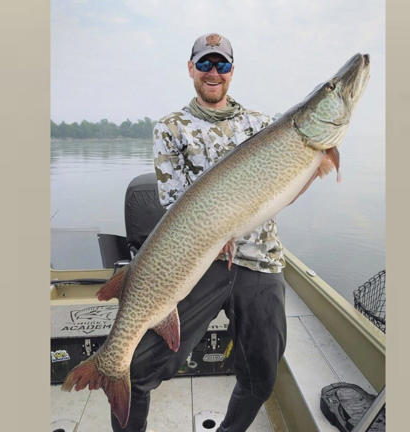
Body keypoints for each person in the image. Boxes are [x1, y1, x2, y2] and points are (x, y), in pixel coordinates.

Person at [110, 33, 287, 432]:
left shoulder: (261, 126)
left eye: (221, 65)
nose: (213, 72)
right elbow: (175, 206)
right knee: (138, 368)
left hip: (260, 258)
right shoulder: (172, 128)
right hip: (198, 260)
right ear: (191, 68)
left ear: (231, 72)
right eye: (205, 63)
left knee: (262, 375)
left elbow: (284, 187)